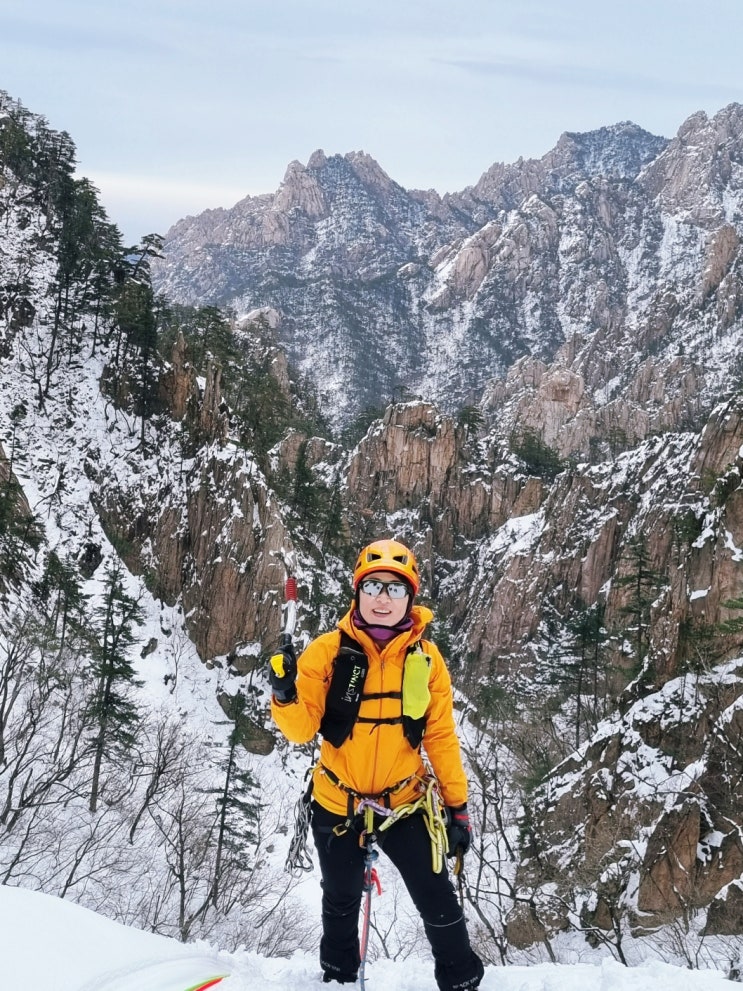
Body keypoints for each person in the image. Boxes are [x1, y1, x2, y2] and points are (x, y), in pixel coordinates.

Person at [270, 538, 484, 991]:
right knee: (341, 899)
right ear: (357, 592)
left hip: (404, 801)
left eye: (394, 588)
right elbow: (302, 728)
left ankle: (462, 979)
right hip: (337, 798)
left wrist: (456, 805)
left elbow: (440, 736)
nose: (382, 598)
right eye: (373, 587)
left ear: (410, 597)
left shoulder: (425, 660)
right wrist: (285, 694)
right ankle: (337, 978)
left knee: (436, 897)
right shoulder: (327, 653)